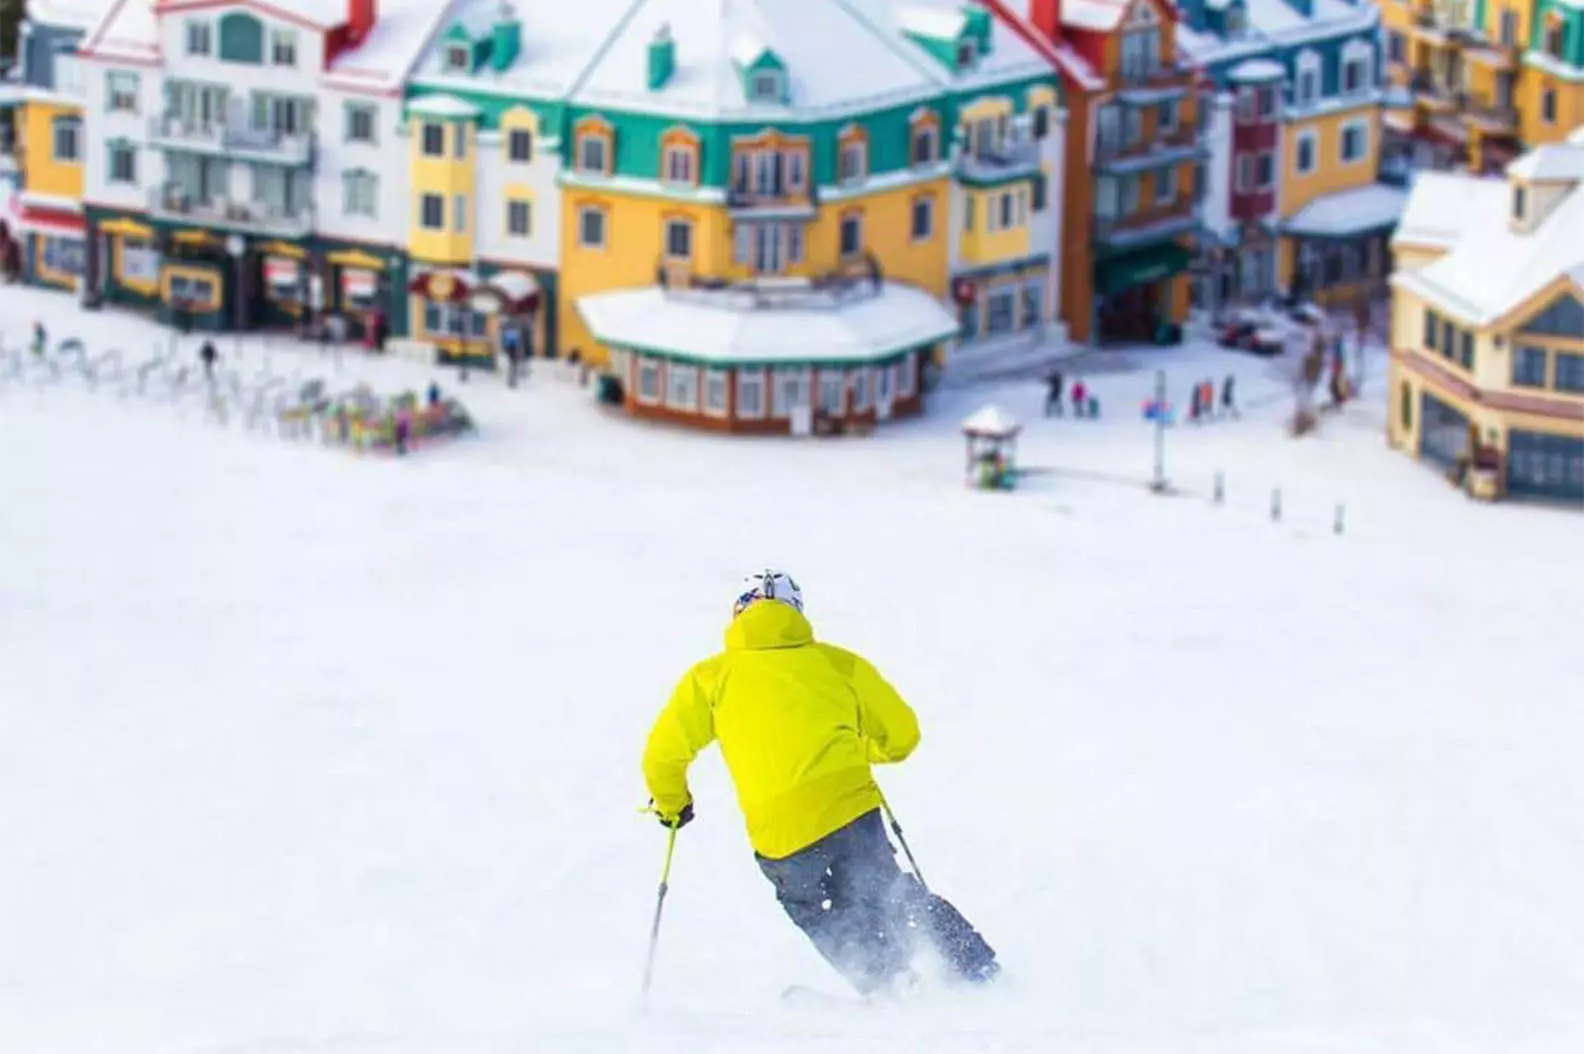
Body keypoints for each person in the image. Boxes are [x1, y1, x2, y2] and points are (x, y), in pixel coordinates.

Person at [643, 572, 997, 995]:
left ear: (739, 613)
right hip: (848, 805)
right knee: (887, 891)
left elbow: (662, 755)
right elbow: (902, 735)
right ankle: (977, 970)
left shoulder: (710, 678)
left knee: (811, 906)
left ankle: (887, 982)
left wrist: (672, 804)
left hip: (780, 829)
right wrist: (859, 750)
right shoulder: (838, 663)